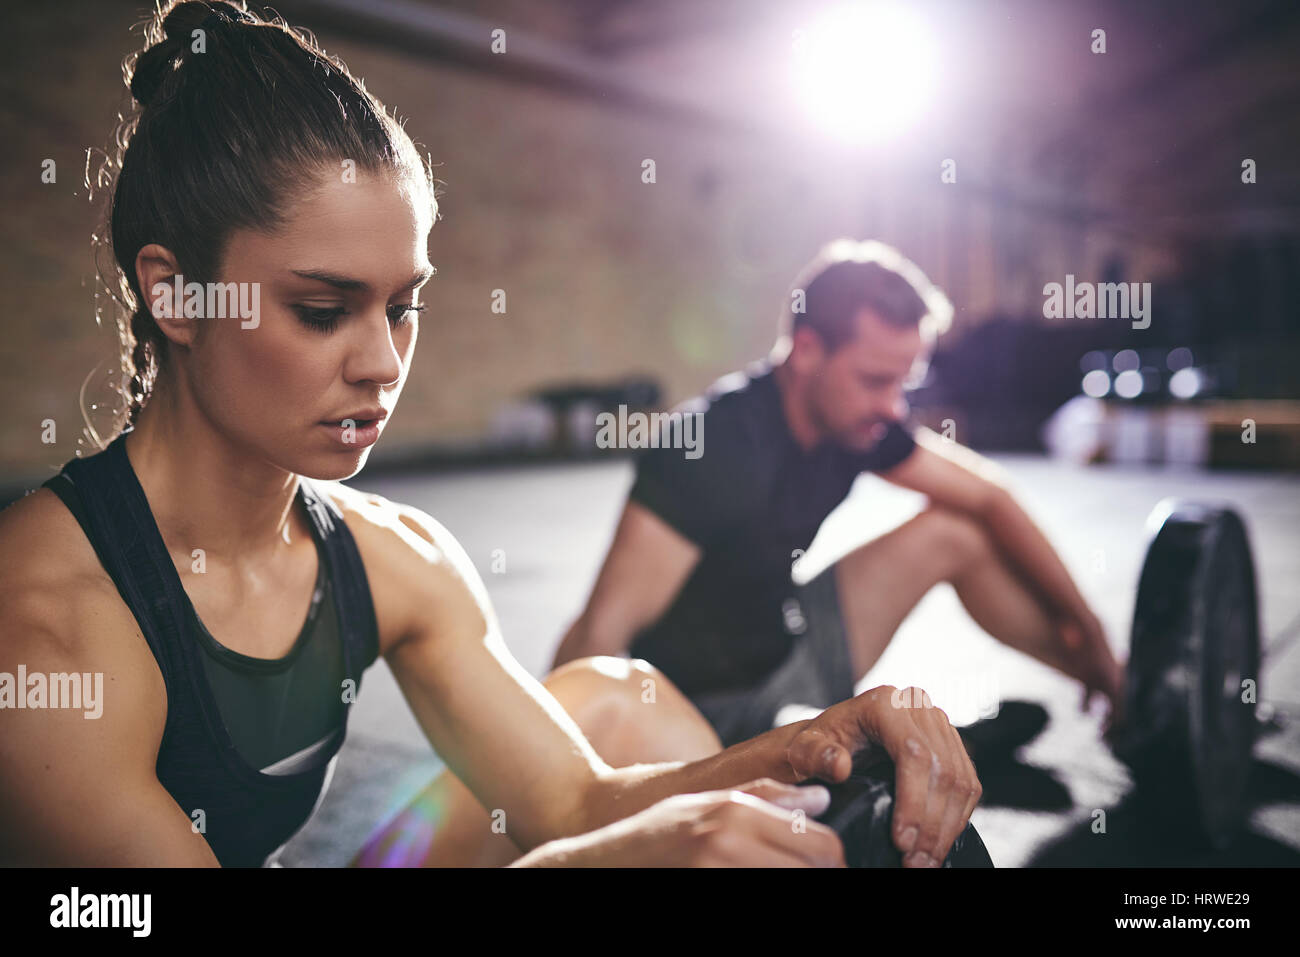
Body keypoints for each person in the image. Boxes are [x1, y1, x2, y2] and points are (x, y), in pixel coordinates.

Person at [0, 1, 979, 868]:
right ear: (175, 293)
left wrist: (810, 744)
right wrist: (607, 861)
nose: (382, 361)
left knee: (618, 698)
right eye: (322, 309)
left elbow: (572, 803)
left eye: (402, 306)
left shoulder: (391, 556)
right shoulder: (47, 624)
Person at [410, 239, 1124, 866]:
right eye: (876, 379)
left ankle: (1116, 691)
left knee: (955, 530)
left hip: (787, 648)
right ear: (807, 350)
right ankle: (917, 746)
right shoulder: (711, 448)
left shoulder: (865, 424)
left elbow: (991, 496)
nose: (892, 407)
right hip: (693, 712)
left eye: (904, 384)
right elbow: (602, 633)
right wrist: (562, 807)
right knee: (792, 805)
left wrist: (1089, 641)